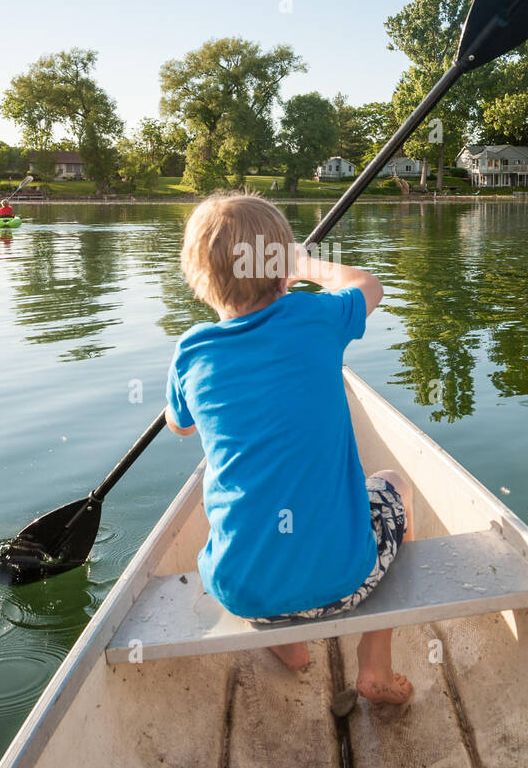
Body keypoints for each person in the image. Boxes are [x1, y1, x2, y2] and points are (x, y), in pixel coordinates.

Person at [164, 191, 415, 704]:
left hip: (240, 591)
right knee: (395, 486)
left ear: (199, 282)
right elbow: (370, 284)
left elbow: (181, 427)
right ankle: (376, 666)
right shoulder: (315, 319)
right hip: (345, 579)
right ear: (282, 274)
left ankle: (291, 647)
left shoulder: (190, 352)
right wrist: (306, 265)